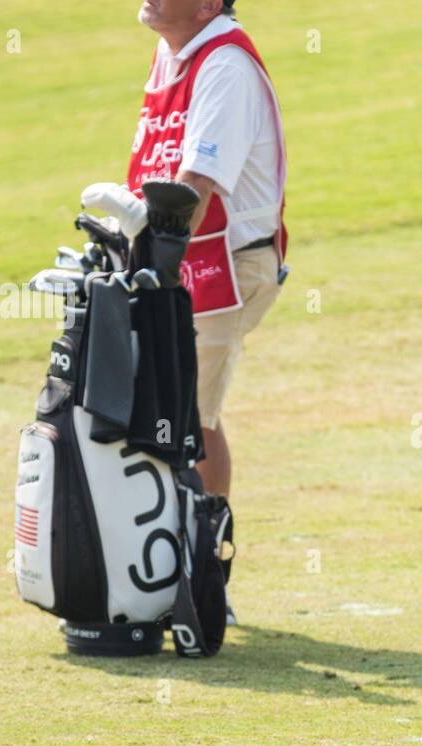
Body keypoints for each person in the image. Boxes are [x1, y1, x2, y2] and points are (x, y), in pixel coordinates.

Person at [83, 0, 288, 624]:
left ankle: (196, 584)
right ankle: (185, 572)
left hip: (218, 265)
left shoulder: (223, 62)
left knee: (184, 419)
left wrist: (154, 263)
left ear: (206, 4)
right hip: (179, 261)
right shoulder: (175, 52)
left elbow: (195, 188)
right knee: (187, 412)